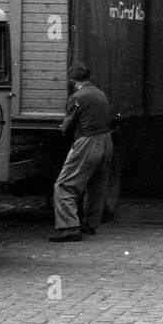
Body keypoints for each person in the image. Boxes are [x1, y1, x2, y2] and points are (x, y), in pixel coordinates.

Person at [50, 64, 114, 242]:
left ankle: (69, 227)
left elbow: (67, 125)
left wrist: (62, 128)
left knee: (64, 185)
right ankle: (91, 224)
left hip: (88, 141)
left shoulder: (77, 97)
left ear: (72, 80)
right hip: (106, 140)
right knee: (96, 186)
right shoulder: (100, 93)